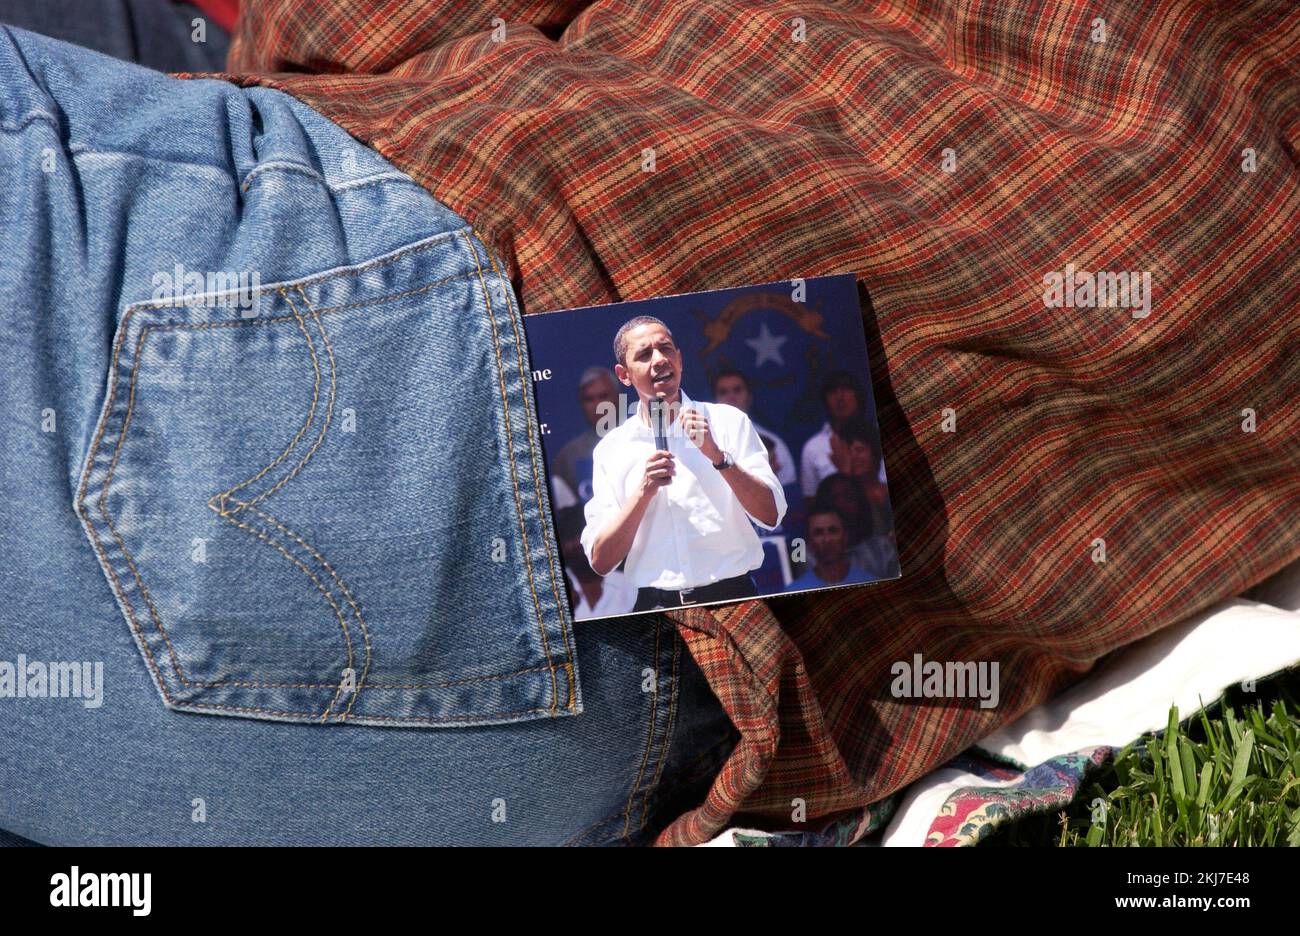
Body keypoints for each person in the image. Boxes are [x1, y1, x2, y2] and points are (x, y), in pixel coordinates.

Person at [581, 315, 787, 612]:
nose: (659, 359)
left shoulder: (728, 422)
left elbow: (771, 515)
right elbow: (601, 560)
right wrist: (642, 492)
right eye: (644, 354)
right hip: (658, 610)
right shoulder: (611, 449)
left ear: (679, 359)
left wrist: (718, 457)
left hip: (735, 599)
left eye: (666, 349)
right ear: (624, 375)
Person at [711, 368, 797, 487]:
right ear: (715, 401)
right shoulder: (705, 441)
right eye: (723, 392)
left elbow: (788, 492)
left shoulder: (774, 443)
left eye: (737, 390)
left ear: (749, 397)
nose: (731, 396)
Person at [800, 369, 871, 511]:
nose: (840, 397)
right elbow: (812, 505)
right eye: (833, 392)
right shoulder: (813, 447)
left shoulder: (875, 435)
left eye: (846, 389)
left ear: (858, 395)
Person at [551, 366, 620, 505]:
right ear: (582, 404)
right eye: (589, 399)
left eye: (603, 396)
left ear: (618, 397)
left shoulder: (642, 436)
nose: (597, 405)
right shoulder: (567, 458)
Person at [555, 506, 636, 619]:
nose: (577, 543)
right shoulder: (555, 587)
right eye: (570, 538)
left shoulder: (627, 583)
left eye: (581, 534)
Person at [784, 507, 876, 592]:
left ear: (845, 537)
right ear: (809, 541)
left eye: (833, 531)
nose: (827, 539)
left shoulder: (871, 584)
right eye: (818, 533)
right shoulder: (794, 591)